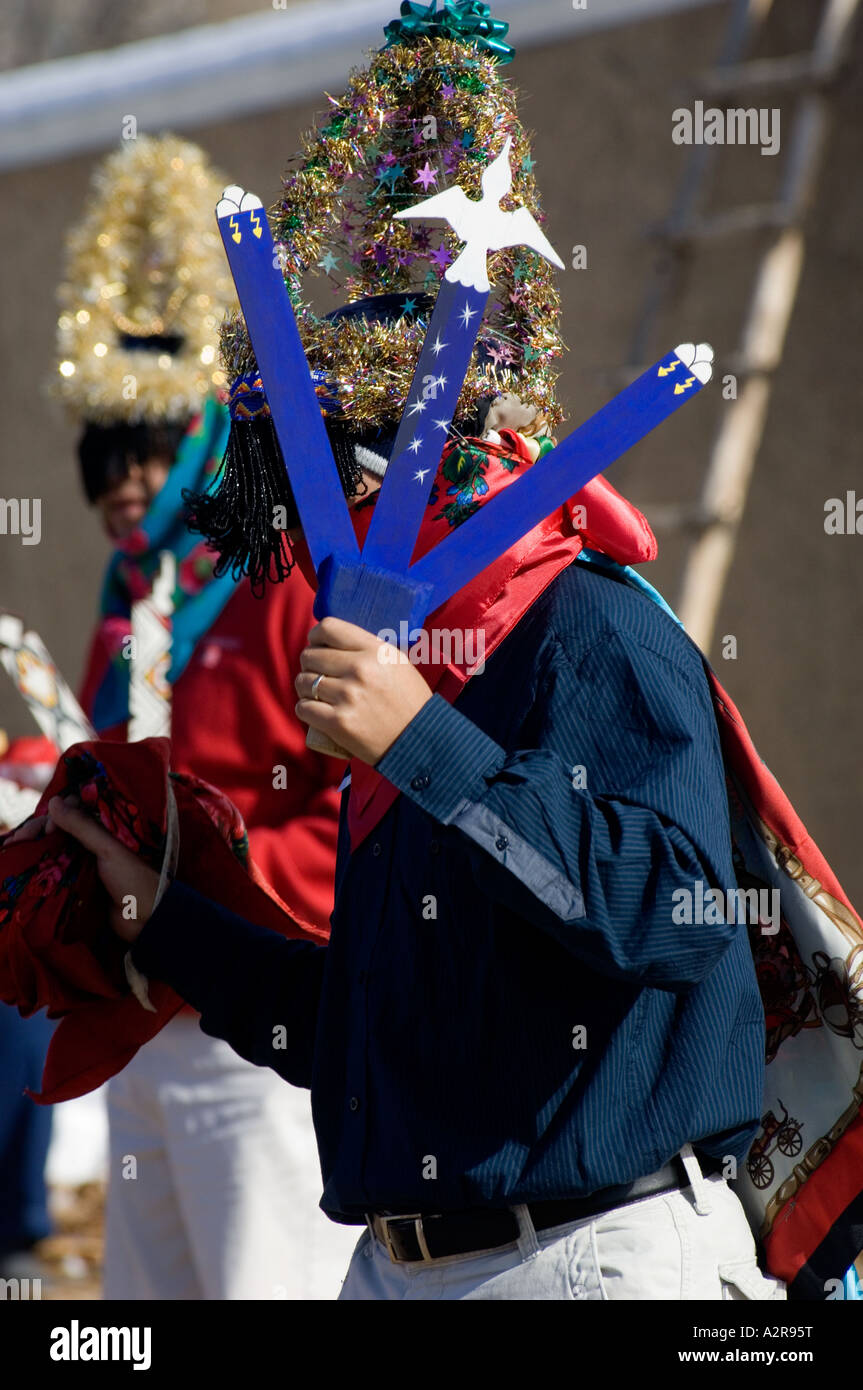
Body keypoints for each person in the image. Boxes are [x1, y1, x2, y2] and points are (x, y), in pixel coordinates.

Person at [49, 133, 356, 1300]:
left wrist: (187, 873)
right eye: (100, 459)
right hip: (142, 1027)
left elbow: (353, 808)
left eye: (145, 451)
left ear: (202, 438)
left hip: (258, 1028)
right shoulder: (125, 594)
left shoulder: (281, 574)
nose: (123, 484)